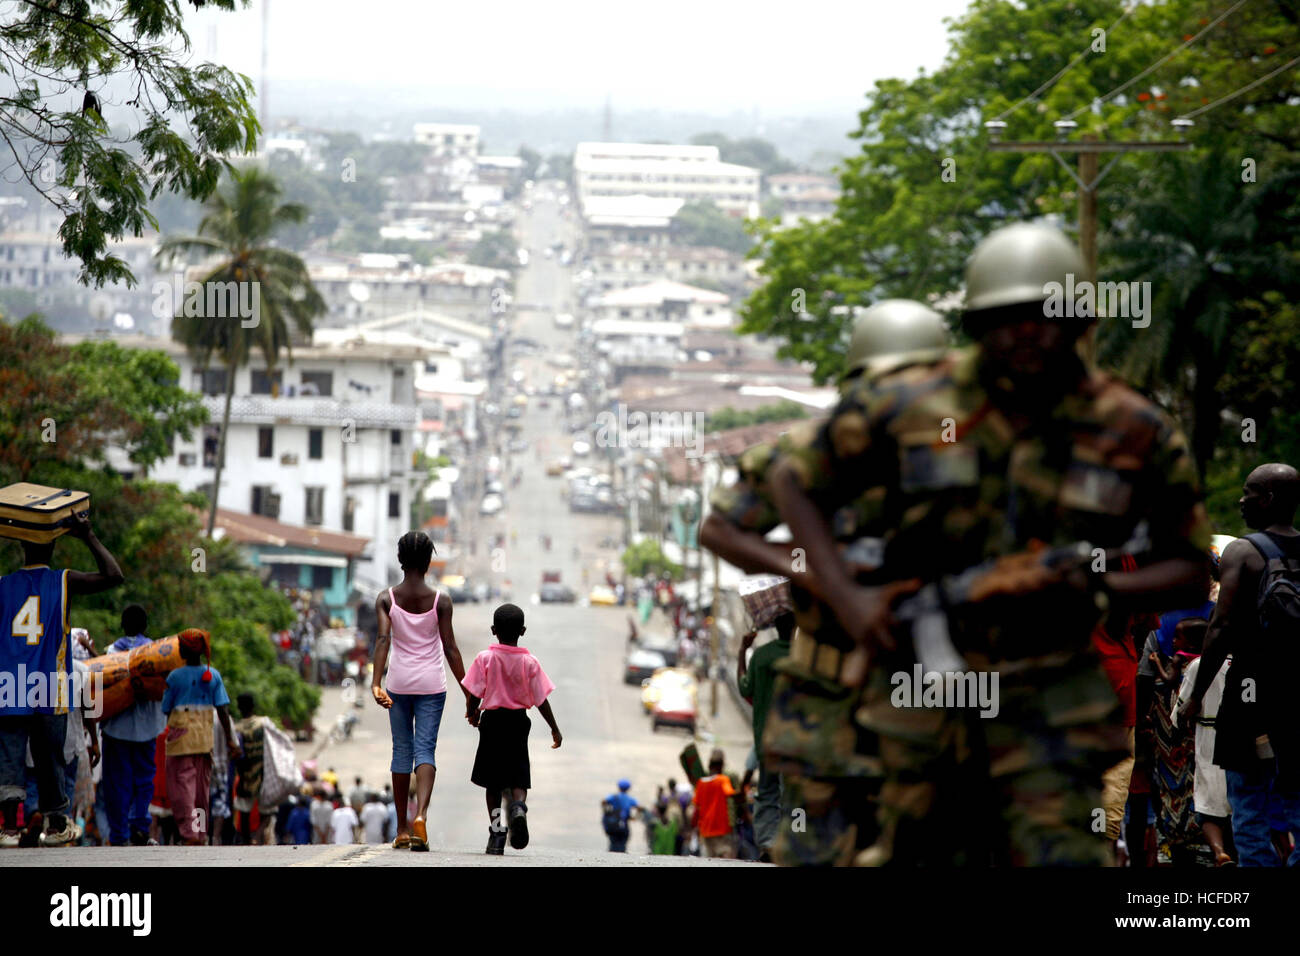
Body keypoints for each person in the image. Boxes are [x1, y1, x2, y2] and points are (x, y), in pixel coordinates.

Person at [768, 222, 1213, 866]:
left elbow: (1190, 571)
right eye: (1008, 318)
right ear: (978, 325)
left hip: (1050, 707)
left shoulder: (1130, 428)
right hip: (919, 697)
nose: (1028, 333)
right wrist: (849, 597)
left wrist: (1090, 585)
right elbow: (792, 478)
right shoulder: (915, 403)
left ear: (1080, 321)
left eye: (1045, 316)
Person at [1181, 463, 1300, 866]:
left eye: (1249, 492)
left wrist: (1195, 697)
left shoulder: (1243, 551)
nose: (1241, 499)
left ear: (1268, 499)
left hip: (1250, 695)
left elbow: (1221, 629)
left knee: (1247, 810)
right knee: (1296, 806)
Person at [1, 512, 123, 849]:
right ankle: (56, 825)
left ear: (21, 544)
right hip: (50, 683)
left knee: (10, 755)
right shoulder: (64, 580)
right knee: (49, 755)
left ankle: (8, 829)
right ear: (54, 545)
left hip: (10, 684)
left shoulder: (3, 585)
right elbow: (114, 575)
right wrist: (87, 535)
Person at [372, 531, 472, 851]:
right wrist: (470, 692)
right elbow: (451, 648)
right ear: (429, 561)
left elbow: (383, 640)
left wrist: (375, 683)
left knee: (401, 751)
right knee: (425, 750)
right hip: (432, 684)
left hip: (398, 684)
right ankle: (422, 818)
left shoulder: (386, 598)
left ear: (400, 560)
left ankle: (401, 828)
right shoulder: (441, 600)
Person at [462, 603, 561, 855]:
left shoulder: (485, 658)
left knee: (492, 784)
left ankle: (496, 833)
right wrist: (554, 729)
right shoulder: (530, 662)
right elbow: (541, 700)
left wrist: (473, 712)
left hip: (492, 722)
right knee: (518, 775)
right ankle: (518, 807)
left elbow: (474, 692)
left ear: (493, 630)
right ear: (523, 631)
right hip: (518, 722)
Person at [160, 632, 237, 846]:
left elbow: (166, 708)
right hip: (204, 739)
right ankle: (201, 832)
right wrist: (230, 740)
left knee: (182, 787)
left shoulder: (174, 677)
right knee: (201, 791)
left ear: (184, 650)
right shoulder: (214, 676)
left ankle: (189, 833)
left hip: (180, 740)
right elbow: (222, 710)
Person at [100, 604, 167, 848]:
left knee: (117, 783)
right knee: (144, 779)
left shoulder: (110, 651)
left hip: (116, 727)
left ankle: (119, 834)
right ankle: (140, 824)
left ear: (122, 625)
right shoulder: (157, 651)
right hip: (148, 727)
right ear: (145, 626)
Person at [1173, 618, 1235, 866]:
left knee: (1208, 804)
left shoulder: (1198, 666)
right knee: (1238, 801)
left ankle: (1219, 852)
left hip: (1208, 739)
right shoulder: (1247, 662)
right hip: (1240, 738)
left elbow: (1180, 712)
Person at [737, 611, 795, 860]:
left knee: (767, 794)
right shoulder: (802, 656)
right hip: (794, 743)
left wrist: (742, 651)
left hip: (765, 742)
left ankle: (768, 843)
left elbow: (744, 687)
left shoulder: (760, 656)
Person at [232, 693, 277, 845]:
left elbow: (235, 754)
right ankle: (257, 835)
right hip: (264, 773)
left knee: (244, 811)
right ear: (253, 706)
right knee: (268, 811)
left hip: (245, 775)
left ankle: (246, 840)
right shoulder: (264, 723)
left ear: (239, 707)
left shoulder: (236, 728)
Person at [692, 750, 738, 859]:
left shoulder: (701, 783)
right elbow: (731, 794)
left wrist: (694, 826)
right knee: (725, 858)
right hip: (722, 830)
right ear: (721, 765)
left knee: (709, 860)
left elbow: (696, 809)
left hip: (706, 830)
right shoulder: (723, 780)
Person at [601, 779, 638, 853]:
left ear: (619, 787)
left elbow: (603, 802)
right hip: (624, 824)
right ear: (628, 788)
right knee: (623, 843)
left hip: (614, 823)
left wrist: (606, 813)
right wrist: (634, 817)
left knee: (613, 842)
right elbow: (639, 808)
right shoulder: (630, 799)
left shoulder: (613, 797)